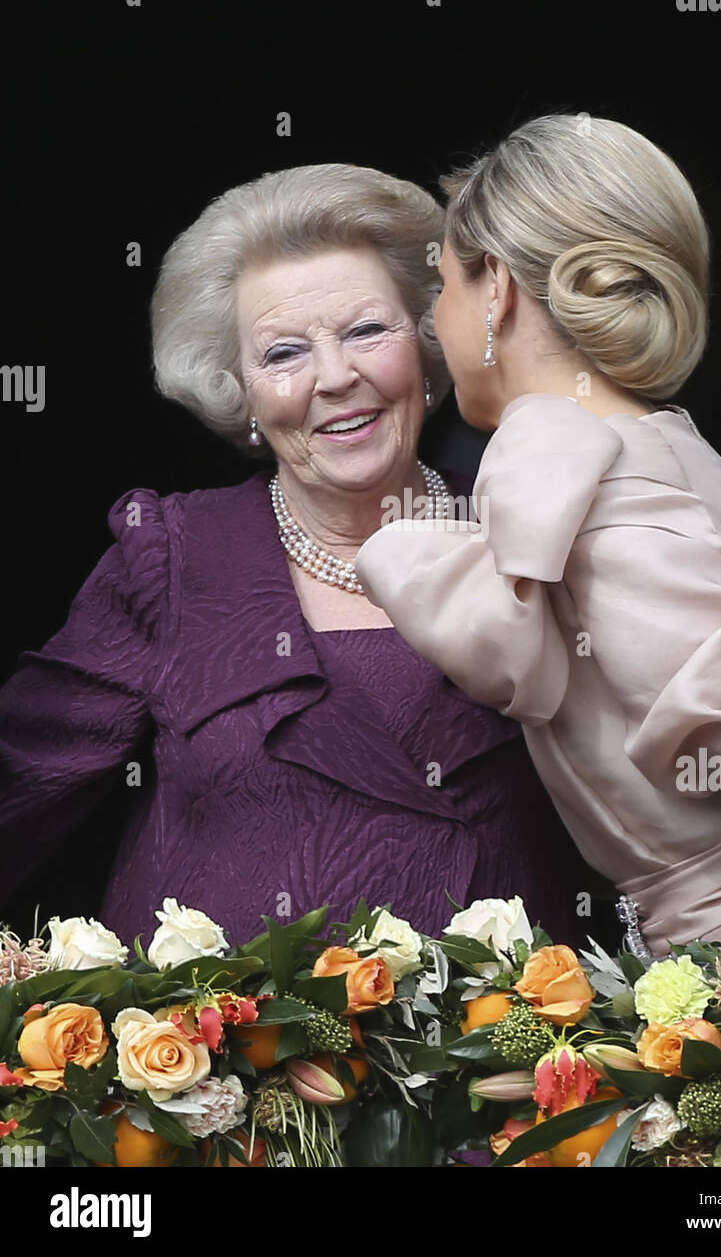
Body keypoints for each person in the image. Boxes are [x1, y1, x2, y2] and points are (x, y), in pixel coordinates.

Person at [0, 164, 592, 951]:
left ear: (427, 343)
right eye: (283, 353)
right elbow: (18, 789)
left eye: (366, 331)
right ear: (238, 391)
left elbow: (691, 761)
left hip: (498, 1060)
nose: (336, 377)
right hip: (210, 1065)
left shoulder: (532, 529)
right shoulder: (173, 557)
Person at [355, 115, 721, 957]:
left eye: (443, 287)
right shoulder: (656, 449)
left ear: (500, 293)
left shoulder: (600, 490)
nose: (432, 326)